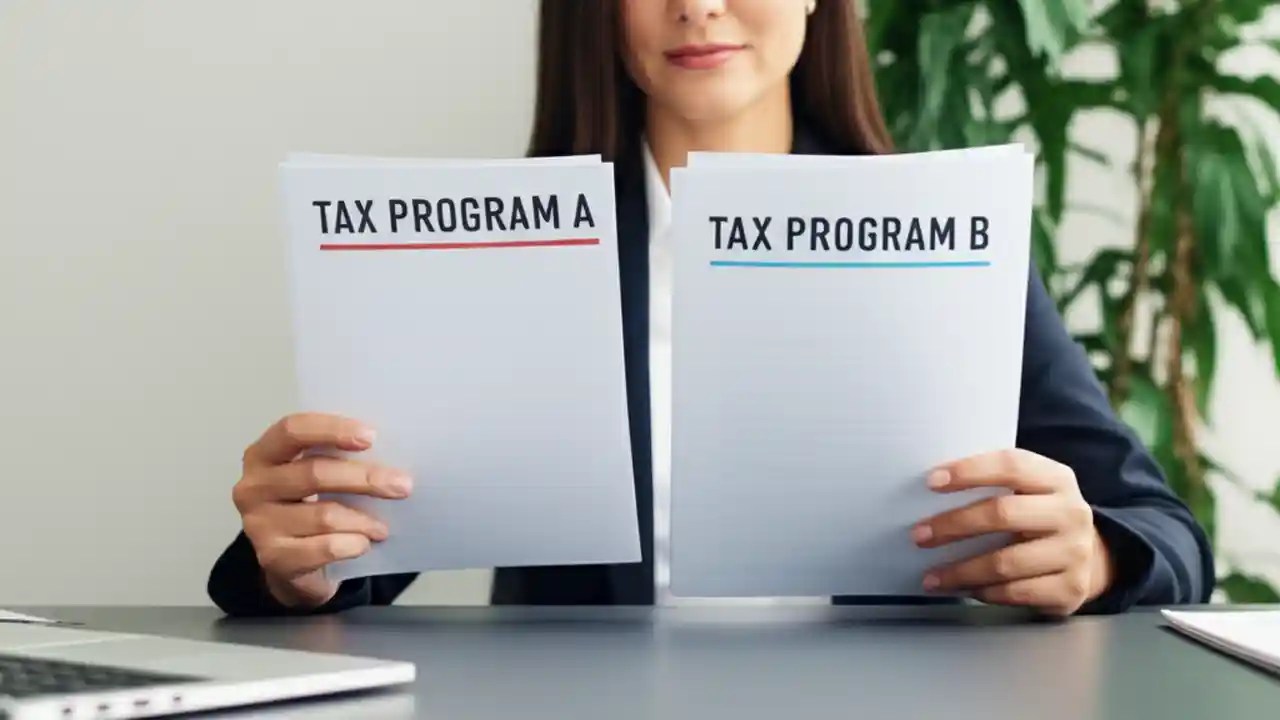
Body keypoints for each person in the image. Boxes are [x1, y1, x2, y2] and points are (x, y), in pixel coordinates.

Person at [209, 0, 1214, 618]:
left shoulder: (937, 234)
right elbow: (365, 547)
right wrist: (300, 564)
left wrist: (1092, 556)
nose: (697, 5)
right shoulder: (500, 250)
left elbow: (1163, 532)